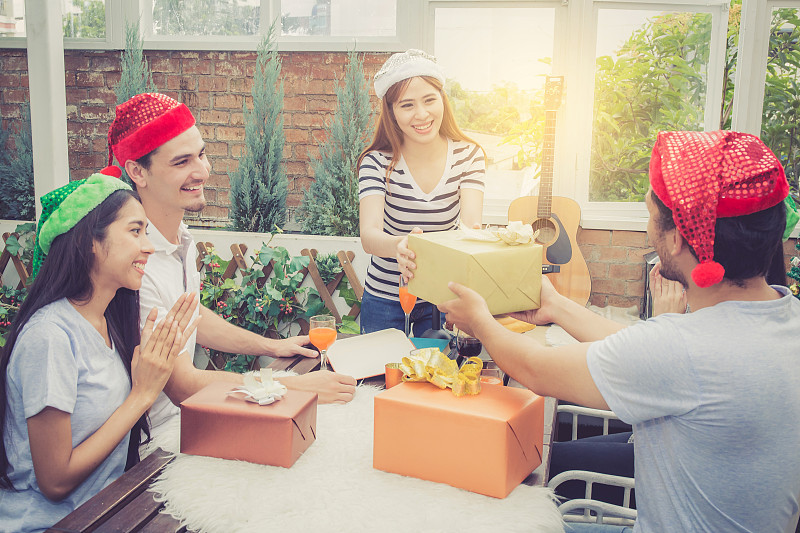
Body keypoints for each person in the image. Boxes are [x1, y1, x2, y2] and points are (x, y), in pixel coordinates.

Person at [440, 130, 800, 532]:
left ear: (678, 239)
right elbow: (636, 351)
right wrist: (557, 307)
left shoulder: (684, 349)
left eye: (648, 215)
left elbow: (537, 369)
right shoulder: (783, 320)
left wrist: (479, 322)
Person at [106, 93, 356, 438]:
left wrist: (271, 346)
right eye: (182, 162)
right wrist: (290, 386)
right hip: (157, 443)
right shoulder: (136, 260)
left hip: (189, 421)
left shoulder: (177, 236)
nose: (202, 171)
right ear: (137, 171)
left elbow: (190, 317)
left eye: (202, 154)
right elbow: (182, 385)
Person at [0, 167, 199, 532]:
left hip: (110, 511)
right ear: (89, 241)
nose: (149, 245)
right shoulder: (50, 337)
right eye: (135, 231)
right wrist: (142, 394)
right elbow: (55, 481)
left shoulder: (109, 323)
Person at [357, 49, 485, 337]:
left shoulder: (469, 156)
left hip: (442, 299)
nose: (422, 114)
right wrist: (400, 246)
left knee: (439, 378)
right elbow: (369, 235)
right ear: (391, 111)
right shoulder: (376, 161)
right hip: (386, 297)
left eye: (429, 100)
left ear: (443, 100)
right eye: (407, 105)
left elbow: (469, 227)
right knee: (382, 379)